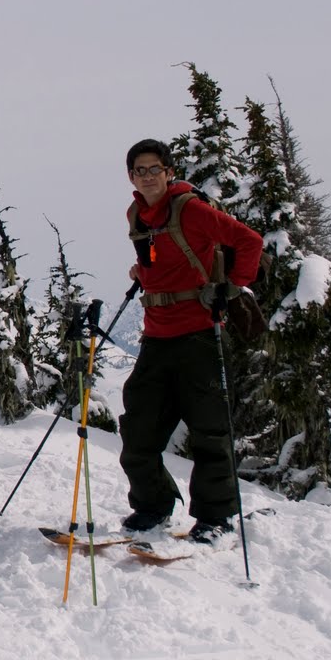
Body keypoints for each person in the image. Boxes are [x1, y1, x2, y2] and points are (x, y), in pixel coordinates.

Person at [117, 138, 262, 543]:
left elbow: (249, 241)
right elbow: (160, 262)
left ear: (168, 171)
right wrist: (141, 276)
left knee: (209, 430)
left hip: (200, 332)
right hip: (156, 335)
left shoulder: (191, 209)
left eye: (153, 169)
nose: (147, 176)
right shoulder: (137, 215)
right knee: (139, 427)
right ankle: (153, 505)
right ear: (131, 176)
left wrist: (232, 287)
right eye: (139, 170)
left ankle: (216, 518)